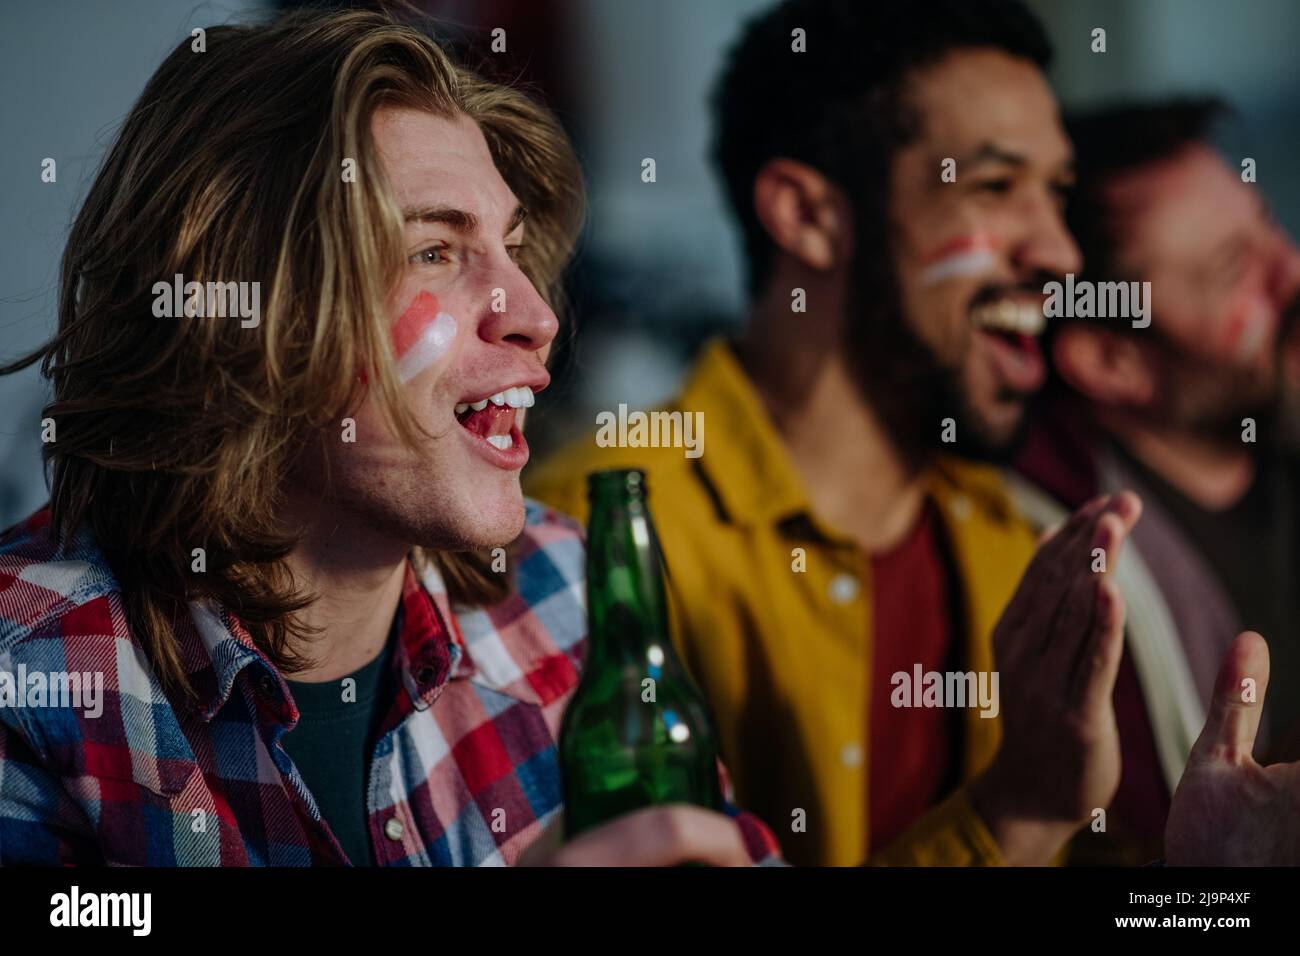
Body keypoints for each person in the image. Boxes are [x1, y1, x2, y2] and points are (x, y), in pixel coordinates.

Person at [0, 9, 782, 867]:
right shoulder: (34, 683)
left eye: (514, 247)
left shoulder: (562, 589)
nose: (536, 317)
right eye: (437, 252)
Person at [528, 0, 1140, 866]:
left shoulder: (1014, 538)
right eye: (997, 187)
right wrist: (1018, 813)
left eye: (1057, 193)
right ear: (810, 216)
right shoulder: (595, 537)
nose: (1061, 254)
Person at [1011, 98, 1300, 860]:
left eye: (1267, 220)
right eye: (1235, 268)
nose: (1292, 267)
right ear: (1113, 361)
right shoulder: (1064, 580)